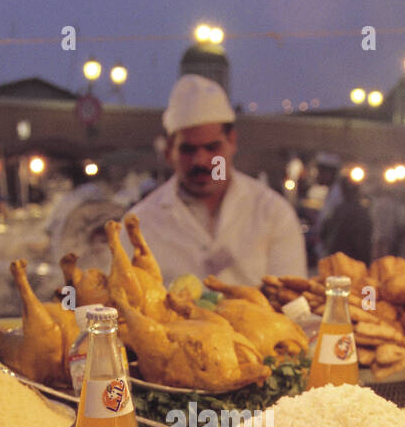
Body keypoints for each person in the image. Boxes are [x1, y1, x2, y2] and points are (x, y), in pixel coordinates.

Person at [129, 74, 306, 285]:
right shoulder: (141, 223)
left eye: (212, 148)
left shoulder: (273, 213)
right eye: (188, 149)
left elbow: (293, 304)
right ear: (169, 151)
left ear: (232, 142)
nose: (201, 161)